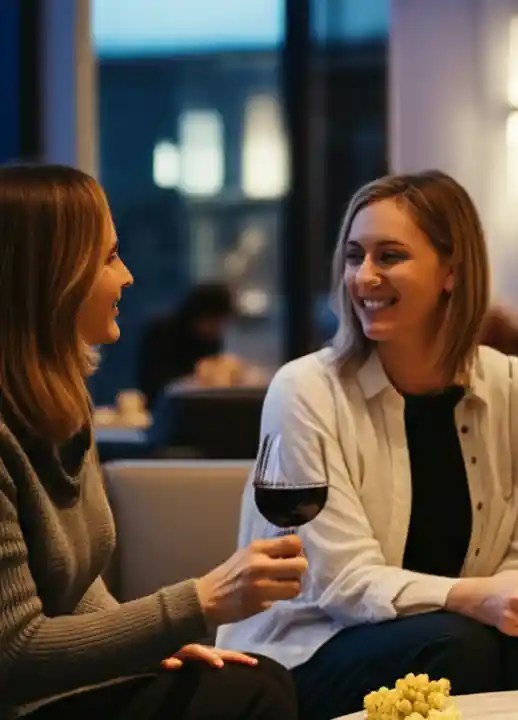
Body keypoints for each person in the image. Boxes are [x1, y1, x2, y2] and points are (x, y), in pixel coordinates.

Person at [217, 171, 518, 720]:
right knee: (456, 647)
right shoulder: (306, 389)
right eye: (356, 256)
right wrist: (475, 598)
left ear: (452, 271)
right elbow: (344, 584)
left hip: (465, 636)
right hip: (306, 649)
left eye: (390, 256)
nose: (364, 277)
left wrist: (507, 606)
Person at [0, 164, 305, 719]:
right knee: (247, 696)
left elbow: (76, 588)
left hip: (56, 694)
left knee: (261, 678)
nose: (128, 277)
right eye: (110, 258)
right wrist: (197, 604)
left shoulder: (64, 410)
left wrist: (144, 647)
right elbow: (12, 651)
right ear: (53, 276)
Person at [137, 282, 235, 403]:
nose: (218, 328)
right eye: (215, 321)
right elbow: (155, 383)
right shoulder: (163, 333)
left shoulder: (211, 338)